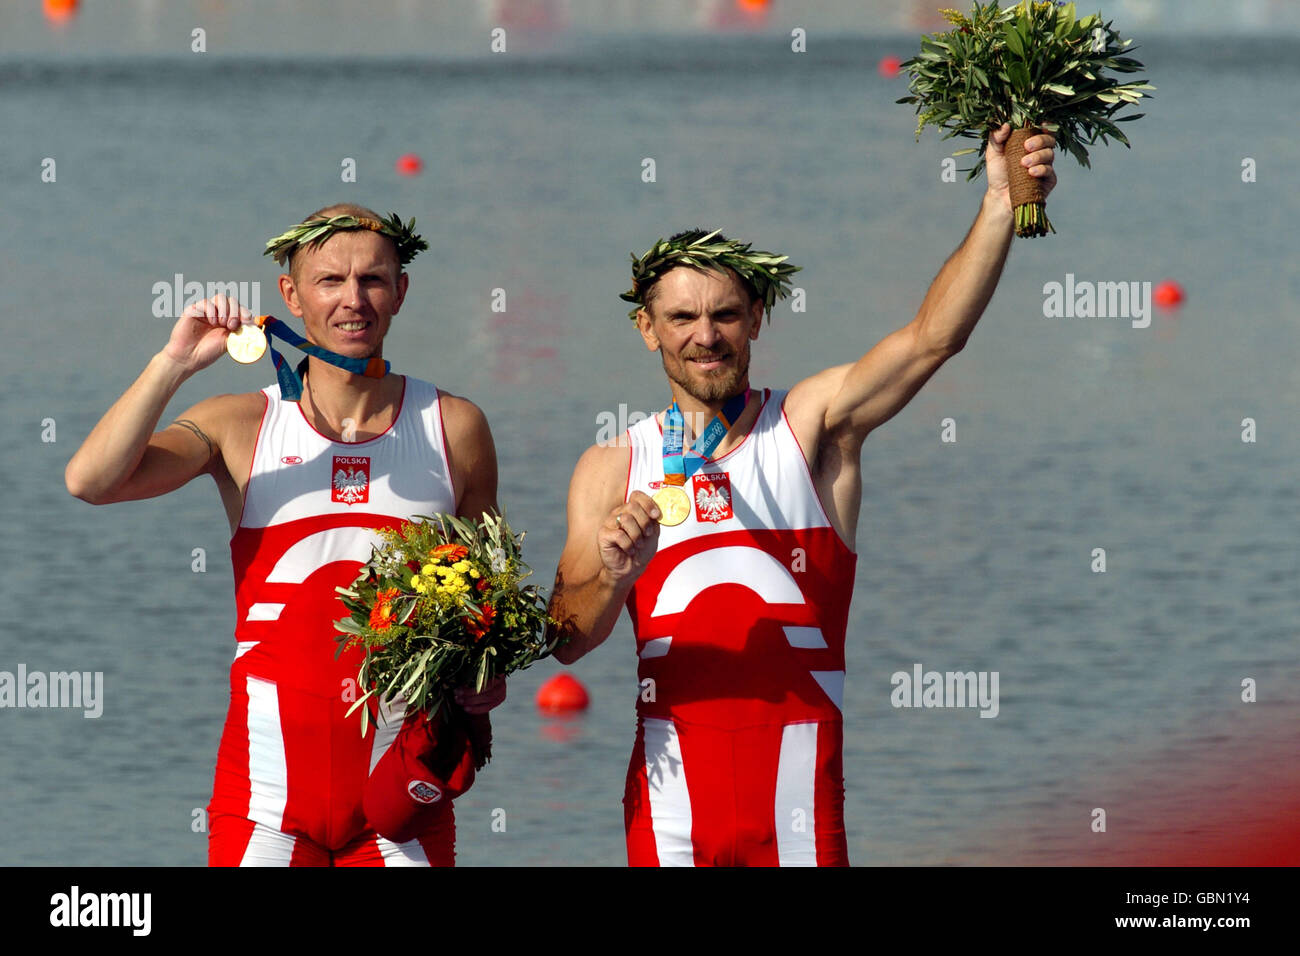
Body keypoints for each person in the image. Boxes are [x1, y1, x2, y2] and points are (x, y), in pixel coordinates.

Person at [548, 125, 1058, 866]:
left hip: (798, 821)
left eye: (725, 314)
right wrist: (616, 575)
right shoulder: (609, 467)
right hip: (668, 819)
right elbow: (565, 639)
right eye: (682, 318)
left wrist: (1000, 203)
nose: (707, 336)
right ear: (646, 329)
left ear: (757, 317)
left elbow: (931, 339)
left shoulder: (812, 427)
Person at [65, 203, 504, 866]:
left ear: (401, 292)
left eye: (373, 280)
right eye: (330, 281)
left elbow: (484, 613)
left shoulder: (456, 428)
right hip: (264, 805)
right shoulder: (237, 424)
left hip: (399, 801)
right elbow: (92, 481)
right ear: (291, 295)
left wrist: (486, 682)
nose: (353, 300)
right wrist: (174, 363)